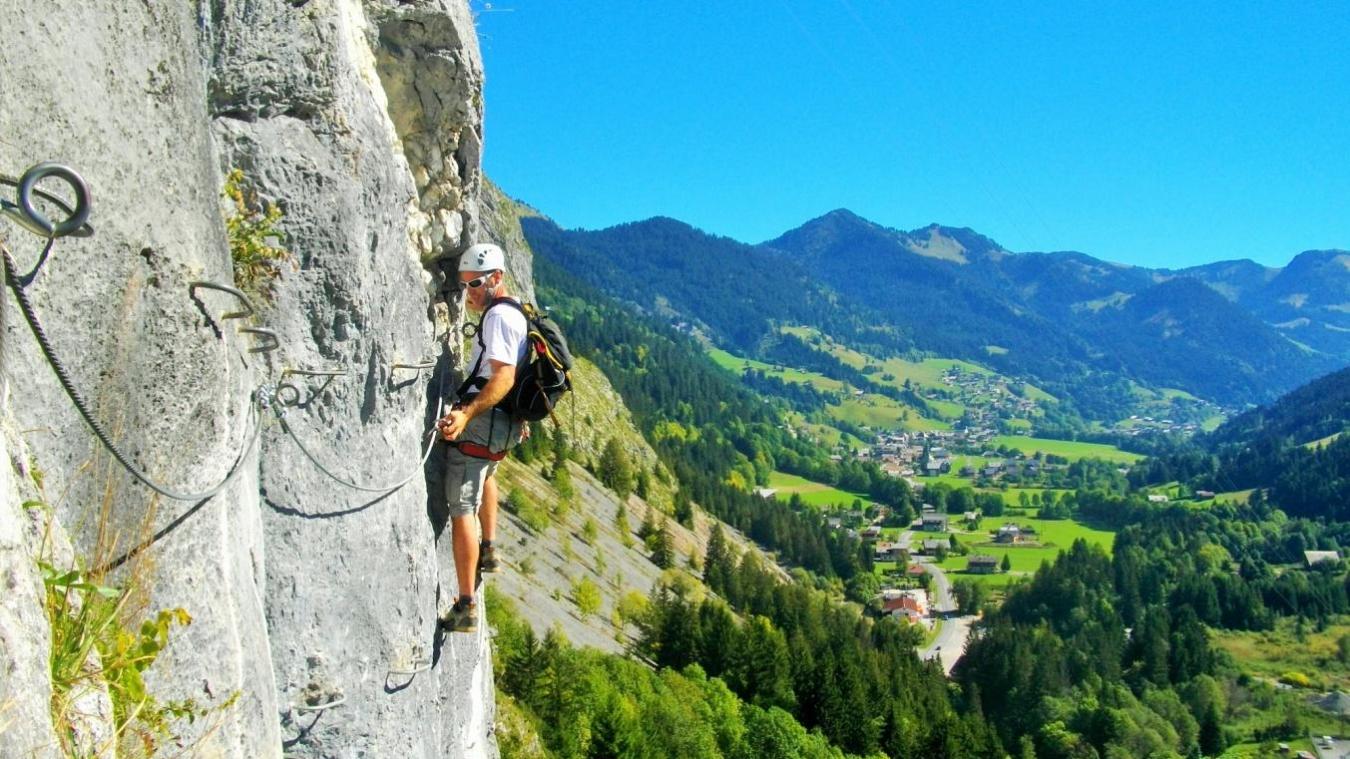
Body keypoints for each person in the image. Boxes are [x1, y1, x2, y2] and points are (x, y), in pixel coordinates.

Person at [435, 242, 527, 633]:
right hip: (503, 423)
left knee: (461, 508)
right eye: (465, 284)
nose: (469, 292)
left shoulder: (498, 318)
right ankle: (489, 549)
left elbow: (504, 376)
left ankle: (466, 605)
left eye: (475, 284)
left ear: (497, 279)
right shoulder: (517, 312)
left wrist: (466, 413)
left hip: (485, 420)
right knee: (488, 473)